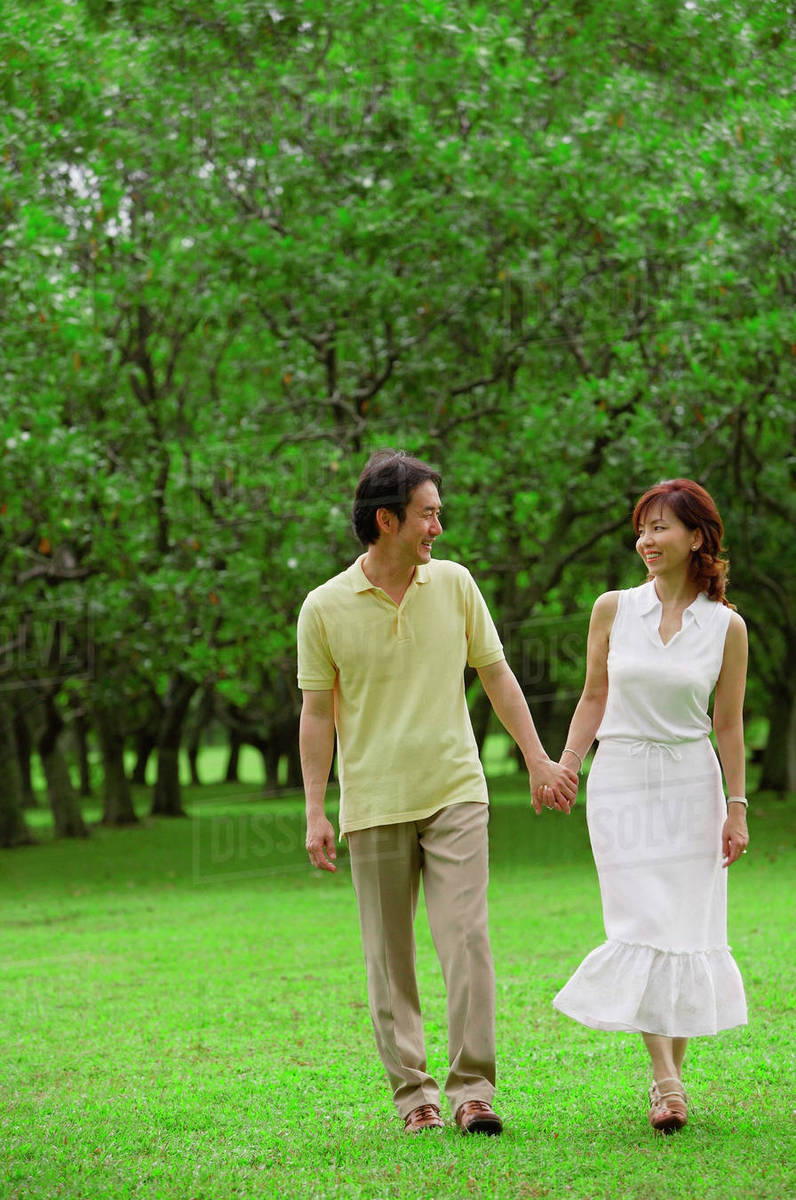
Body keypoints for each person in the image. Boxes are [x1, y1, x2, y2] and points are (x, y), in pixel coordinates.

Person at [297, 450, 578, 1135]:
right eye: (427, 515)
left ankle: (473, 1091)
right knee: (388, 957)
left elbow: (497, 674)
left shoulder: (454, 585)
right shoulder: (324, 607)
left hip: (456, 789)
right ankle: (414, 1096)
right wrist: (315, 809)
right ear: (386, 520)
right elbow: (315, 712)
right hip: (374, 801)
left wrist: (539, 760)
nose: (438, 530)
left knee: (466, 940)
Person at [545, 478, 749, 1133]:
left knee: (682, 930)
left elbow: (730, 724)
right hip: (623, 779)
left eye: (661, 527)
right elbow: (593, 696)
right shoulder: (612, 608)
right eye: (643, 528)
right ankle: (667, 1081)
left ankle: (670, 1084)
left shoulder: (727, 626)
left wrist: (737, 805)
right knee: (641, 921)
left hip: (693, 783)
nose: (647, 540)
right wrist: (568, 764)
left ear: (696, 537)